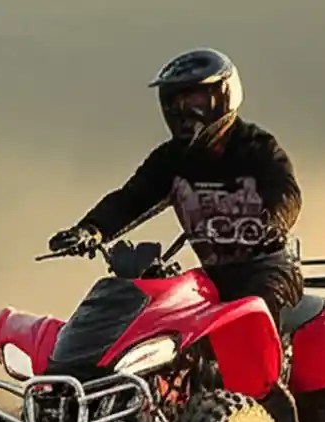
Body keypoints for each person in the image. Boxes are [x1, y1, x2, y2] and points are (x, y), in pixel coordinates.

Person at [49, 48, 305, 342]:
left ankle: (265, 388)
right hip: (210, 278)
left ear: (224, 96)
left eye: (194, 100)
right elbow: (131, 198)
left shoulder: (258, 147)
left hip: (268, 269)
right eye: (175, 101)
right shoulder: (171, 159)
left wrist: (272, 225)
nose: (183, 111)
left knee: (252, 319)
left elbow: (286, 193)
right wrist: (91, 229)